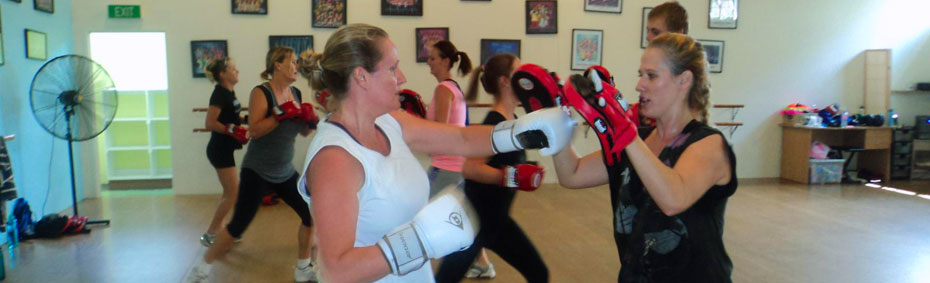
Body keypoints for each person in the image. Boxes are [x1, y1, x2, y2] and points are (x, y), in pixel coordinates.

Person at [295, 23, 574, 282]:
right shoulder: (335, 158)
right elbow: (335, 270)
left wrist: (523, 133)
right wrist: (419, 240)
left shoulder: (389, 121)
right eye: (393, 68)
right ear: (361, 77)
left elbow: (461, 139)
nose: (402, 77)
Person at [552, 33, 736, 282]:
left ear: (684, 80)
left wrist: (624, 130)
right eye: (641, 75)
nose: (639, 85)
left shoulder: (709, 144)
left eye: (651, 76)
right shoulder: (639, 140)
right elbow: (571, 174)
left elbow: (672, 199)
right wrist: (554, 122)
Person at [187, 46, 320, 283]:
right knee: (238, 225)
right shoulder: (262, 92)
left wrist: (309, 123)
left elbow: (300, 133)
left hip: (285, 170)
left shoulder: (296, 93)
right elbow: (255, 131)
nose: (296, 67)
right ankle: (201, 269)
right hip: (257, 170)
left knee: (309, 214)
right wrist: (280, 113)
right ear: (277, 65)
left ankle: (302, 268)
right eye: (292, 62)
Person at [435, 55, 550, 282]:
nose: (524, 77)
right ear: (505, 81)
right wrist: (511, 176)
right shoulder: (494, 122)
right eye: (519, 72)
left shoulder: (513, 119)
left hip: (497, 221)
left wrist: (523, 170)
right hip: (475, 223)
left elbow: (503, 162)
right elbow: (469, 167)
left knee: (539, 273)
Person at [200, 57, 247, 247]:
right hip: (219, 150)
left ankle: (220, 230)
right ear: (222, 74)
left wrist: (248, 120)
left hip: (225, 148)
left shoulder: (229, 92)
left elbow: (233, 117)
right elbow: (210, 123)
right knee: (233, 193)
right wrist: (232, 130)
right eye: (233, 69)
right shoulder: (219, 93)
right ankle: (211, 234)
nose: (237, 71)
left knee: (230, 192)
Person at [425, 40, 473, 198]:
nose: (428, 62)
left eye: (433, 59)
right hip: (455, 165)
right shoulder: (453, 87)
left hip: (446, 166)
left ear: (445, 62)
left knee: (422, 208)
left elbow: (441, 130)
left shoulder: (443, 89)